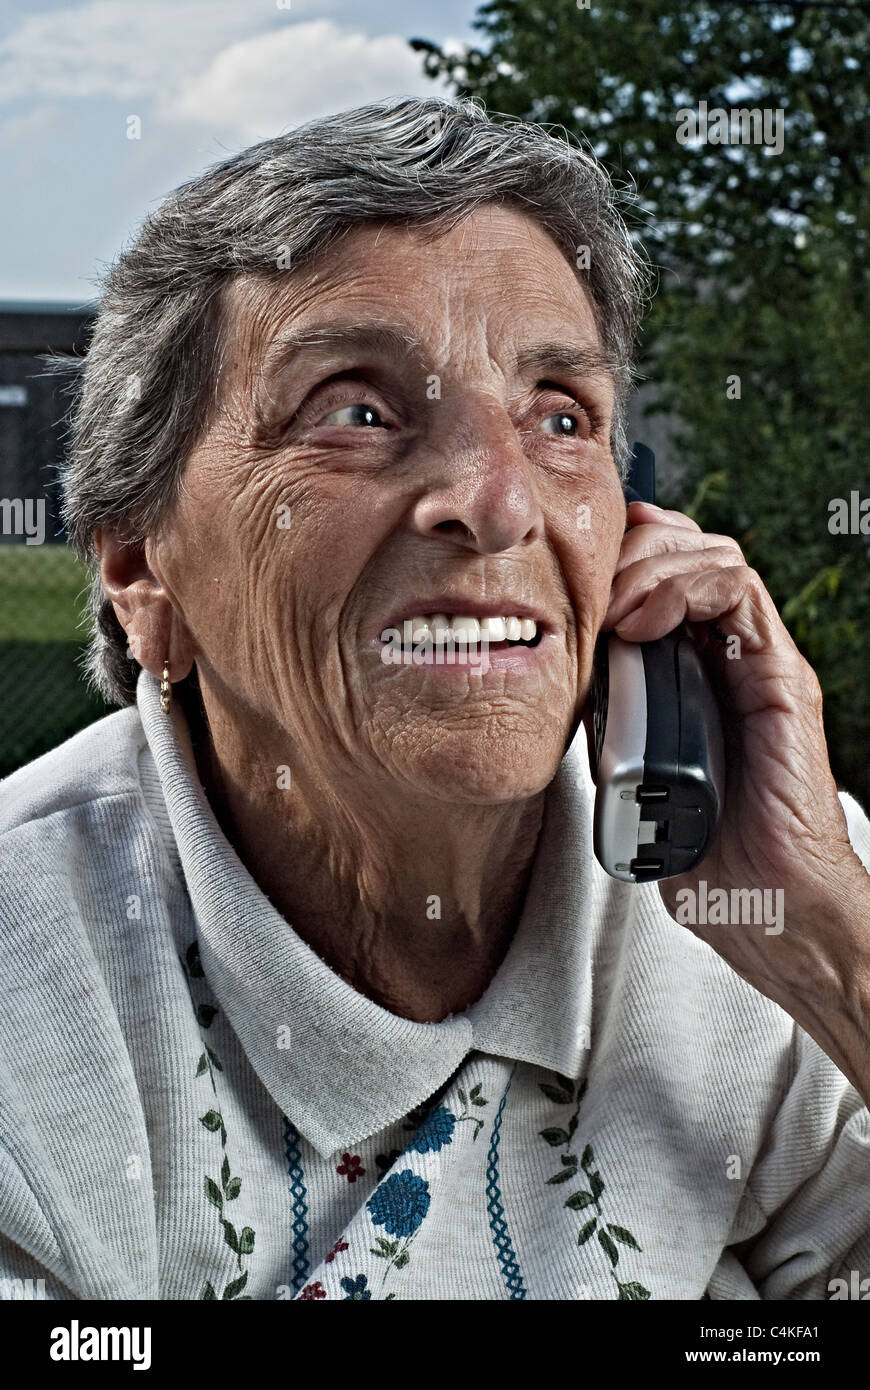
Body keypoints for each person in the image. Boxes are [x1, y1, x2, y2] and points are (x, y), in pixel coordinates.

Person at [1, 96, 868, 1302]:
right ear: (145, 573)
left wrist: (832, 948)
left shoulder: (773, 874)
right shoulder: (25, 985)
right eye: (355, 410)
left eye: (560, 417)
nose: (497, 501)